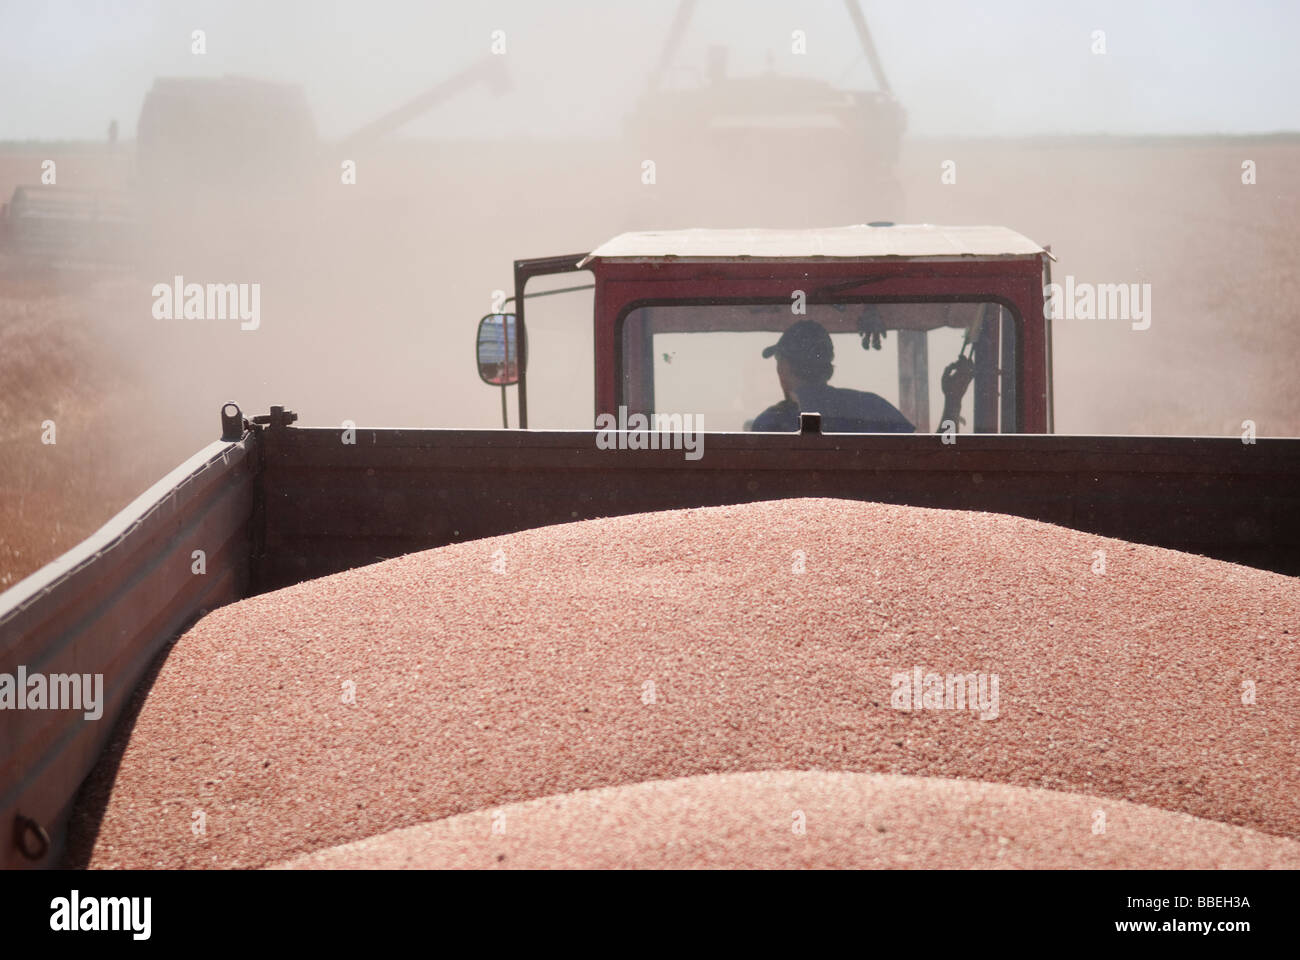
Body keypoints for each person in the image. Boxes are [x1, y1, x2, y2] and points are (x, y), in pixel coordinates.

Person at [751, 319, 916, 433]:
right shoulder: (876, 408)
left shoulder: (771, 422)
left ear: (784, 368)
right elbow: (921, 457)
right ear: (827, 365)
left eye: (778, 362)